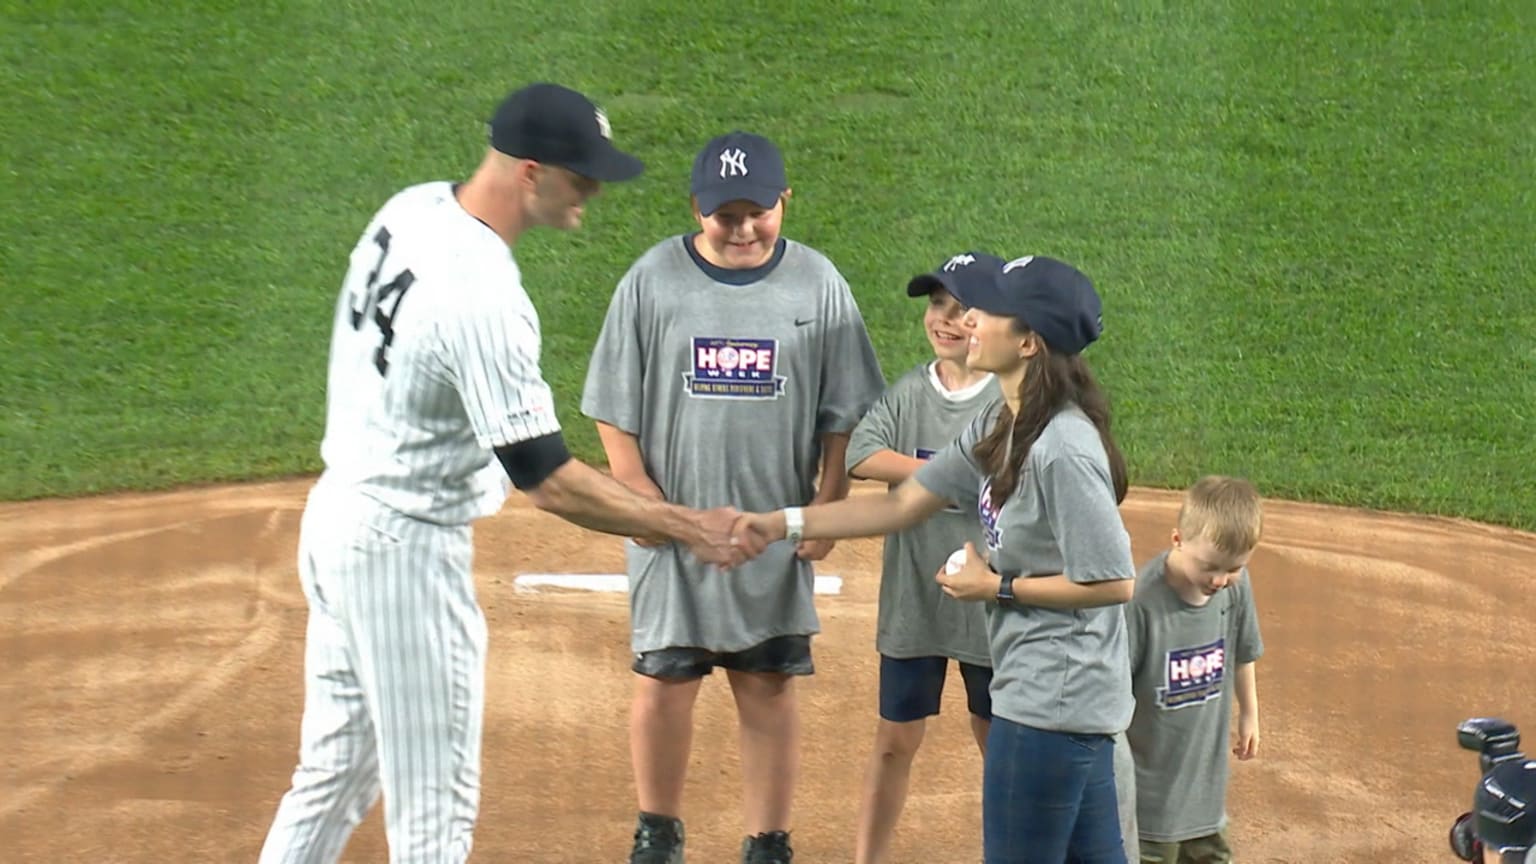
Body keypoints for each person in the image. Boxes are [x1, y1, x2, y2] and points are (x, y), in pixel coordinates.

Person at [258, 83, 756, 864]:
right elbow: (548, 478)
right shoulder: (481, 293)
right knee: (435, 816)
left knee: (333, 775)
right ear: (531, 172)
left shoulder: (412, 208)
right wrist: (688, 527)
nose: (594, 190)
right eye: (580, 174)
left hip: (337, 519)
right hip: (402, 555)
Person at [735, 254, 1138, 863]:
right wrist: (780, 523)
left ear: (1028, 341)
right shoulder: (1002, 420)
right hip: (1065, 701)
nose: (969, 319)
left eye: (989, 311)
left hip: (1051, 704)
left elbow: (1114, 582)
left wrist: (997, 587)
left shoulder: (1061, 447)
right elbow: (901, 507)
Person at [579, 130, 886, 864]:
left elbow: (846, 411)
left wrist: (828, 503)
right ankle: (658, 833)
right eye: (726, 214)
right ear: (697, 207)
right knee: (664, 681)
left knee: (768, 682)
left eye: (758, 211)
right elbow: (612, 405)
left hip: (771, 527)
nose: (743, 228)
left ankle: (768, 841)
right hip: (671, 525)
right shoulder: (652, 280)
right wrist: (639, 496)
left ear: (785, 200)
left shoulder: (818, 284)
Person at [845, 251, 1002, 864]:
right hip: (915, 605)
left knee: (1000, 745)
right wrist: (945, 475)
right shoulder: (910, 391)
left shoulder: (1006, 399)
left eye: (961, 310)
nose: (945, 319)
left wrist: (920, 482)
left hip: (989, 606)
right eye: (938, 305)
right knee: (893, 741)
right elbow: (862, 452)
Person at [1123, 476, 1265, 864]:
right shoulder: (1140, 602)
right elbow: (1114, 694)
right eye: (1209, 567)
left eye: (1234, 568)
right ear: (1177, 540)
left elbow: (1242, 650)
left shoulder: (1235, 588)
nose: (1220, 580)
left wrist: (1249, 713)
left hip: (1205, 798)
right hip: (1147, 803)